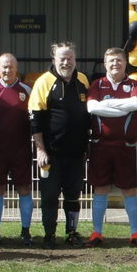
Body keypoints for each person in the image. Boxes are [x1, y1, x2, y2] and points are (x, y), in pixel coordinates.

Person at [29, 41, 91, 249]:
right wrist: (40, 149)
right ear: (54, 60)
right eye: (62, 58)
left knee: (74, 196)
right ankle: (49, 235)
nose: (66, 62)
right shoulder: (43, 82)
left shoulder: (82, 80)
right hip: (51, 154)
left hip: (76, 154)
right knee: (49, 196)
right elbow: (35, 119)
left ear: (75, 59)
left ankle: (72, 232)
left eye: (70, 58)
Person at [86, 47, 137, 247]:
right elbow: (92, 108)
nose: (115, 64)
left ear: (125, 62)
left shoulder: (135, 84)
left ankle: (135, 233)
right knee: (100, 188)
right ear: (105, 64)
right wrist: (122, 107)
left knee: (129, 190)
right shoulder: (97, 84)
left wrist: (107, 106)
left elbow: (136, 104)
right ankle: (97, 232)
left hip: (126, 147)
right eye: (111, 61)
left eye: (119, 60)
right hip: (100, 146)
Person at [0, 53, 34, 247]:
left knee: (25, 189)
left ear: (16, 68)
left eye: (11, 67)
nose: (7, 70)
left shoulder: (27, 91)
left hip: (21, 150)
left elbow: (34, 118)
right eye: (4, 67)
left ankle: (26, 231)